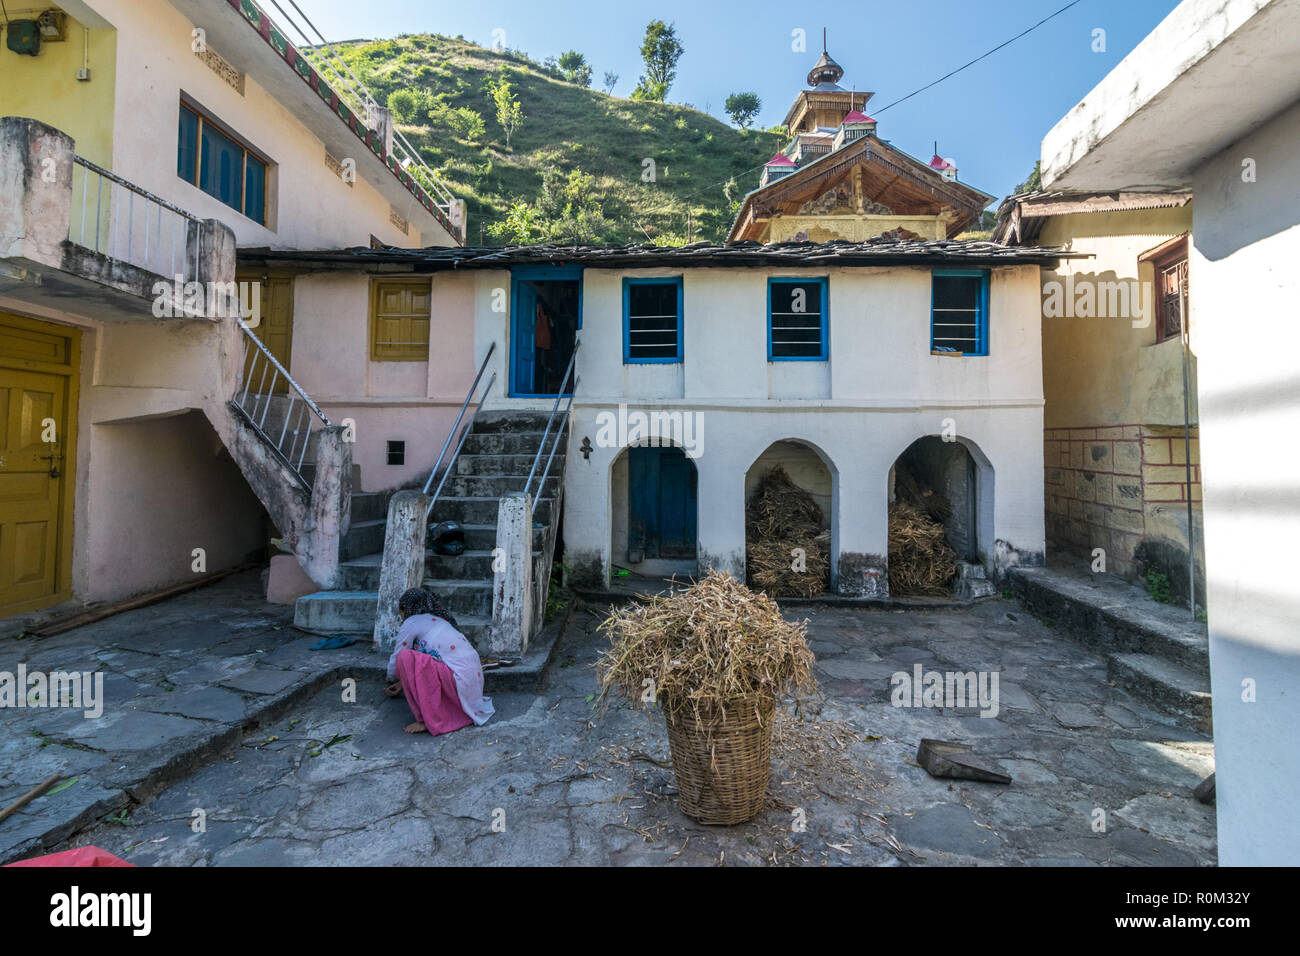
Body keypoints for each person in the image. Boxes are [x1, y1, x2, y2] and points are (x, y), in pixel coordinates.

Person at [383, 588, 494, 735]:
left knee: (405, 657)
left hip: (457, 681)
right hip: (470, 686)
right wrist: (402, 683)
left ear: (406, 609)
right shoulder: (439, 620)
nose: (401, 616)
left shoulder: (412, 622)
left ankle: (426, 719)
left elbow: (398, 658)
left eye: (401, 612)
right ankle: (450, 711)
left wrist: (390, 678)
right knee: (416, 658)